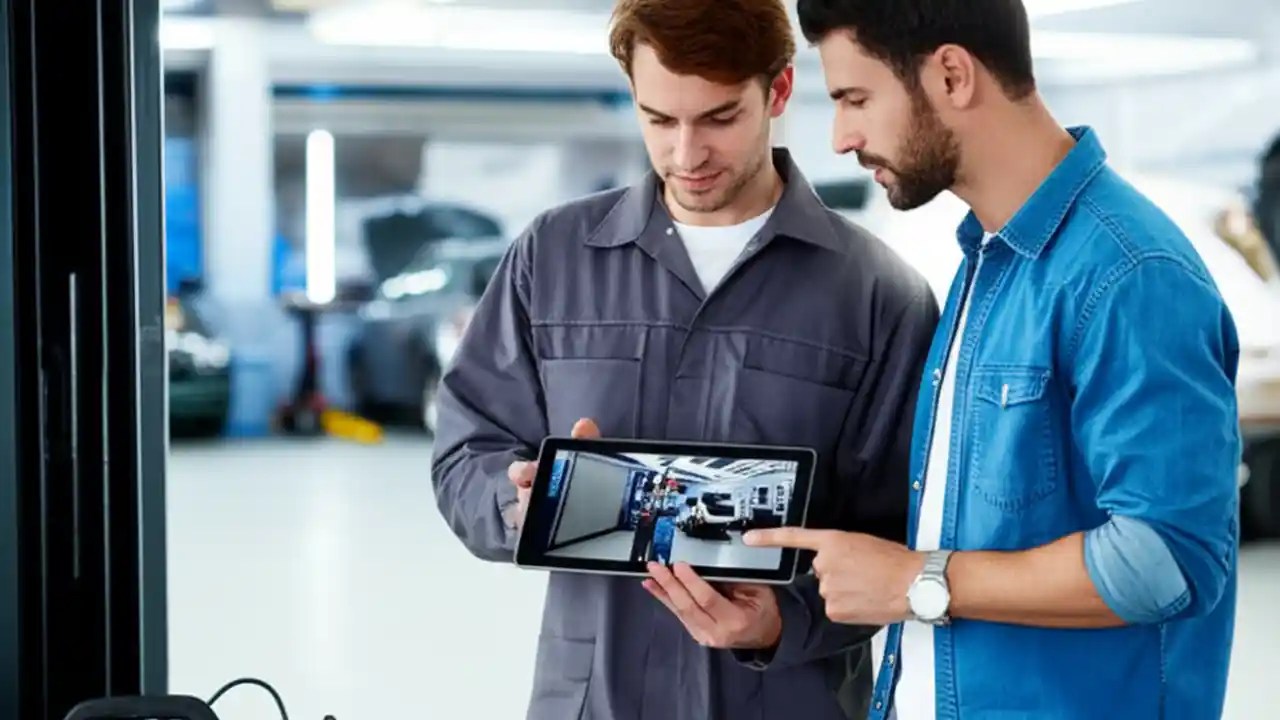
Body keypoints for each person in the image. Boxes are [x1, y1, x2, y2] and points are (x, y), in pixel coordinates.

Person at [429, 0, 939, 717]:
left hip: (786, 698)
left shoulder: (879, 295)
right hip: (593, 700)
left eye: (719, 118)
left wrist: (783, 621)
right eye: (659, 120)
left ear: (780, 91)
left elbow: (903, 535)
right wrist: (518, 502)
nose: (685, 154)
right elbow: (464, 452)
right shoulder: (551, 259)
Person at [744, 2, 1241, 719]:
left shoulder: (1129, 273)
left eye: (856, 98)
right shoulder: (988, 258)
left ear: (951, 75)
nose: (842, 136)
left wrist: (920, 580)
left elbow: (1165, 558)